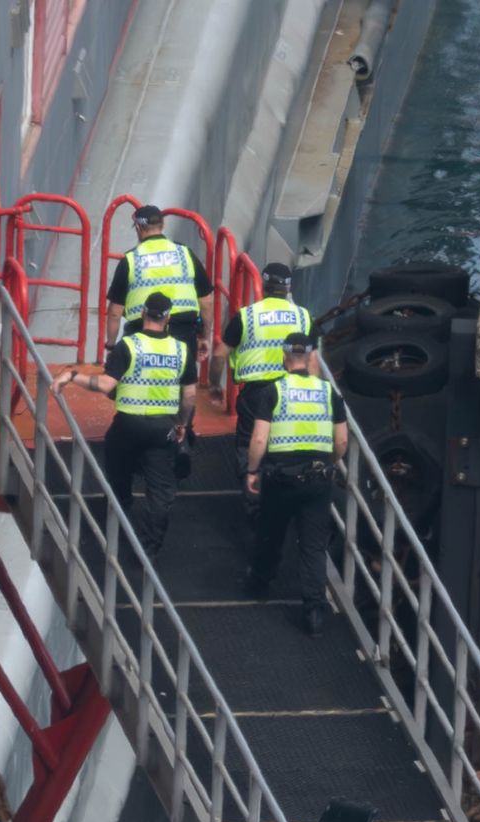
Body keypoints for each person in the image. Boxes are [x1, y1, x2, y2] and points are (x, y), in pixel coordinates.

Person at [56, 296, 199, 560]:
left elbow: (105, 386)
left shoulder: (128, 346)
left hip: (127, 426)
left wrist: (72, 376)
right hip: (162, 428)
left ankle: (120, 516)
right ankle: (150, 549)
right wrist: (181, 424)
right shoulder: (180, 350)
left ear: (143, 313)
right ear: (168, 317)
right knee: (161, 491)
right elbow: (189, 395)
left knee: (118, 473)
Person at [242, 332, 348, 636]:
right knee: (313, 546)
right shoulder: (328, 392)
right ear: (311, 356)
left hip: (281, 478)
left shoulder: (274, 390)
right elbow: (341, 440)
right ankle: (314, 612)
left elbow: (260, 438)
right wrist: (329, 461)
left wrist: (252, 470)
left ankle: (260, 582)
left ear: (284, 356)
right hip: (318, 478)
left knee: (270, 533)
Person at [223, 262, 315, 484]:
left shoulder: (247, 316)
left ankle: (251, 488)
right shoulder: (303, 316)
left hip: (255, 392)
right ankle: (281, 483)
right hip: (291, 390)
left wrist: (216, 384)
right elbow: (313, 359)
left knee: (249, 441)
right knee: (285, 439)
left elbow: (220, 353)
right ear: (288, 289)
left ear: (263, 286)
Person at [106, 205, 213, 361]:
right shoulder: (185, 253)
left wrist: (110, 346)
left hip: (140, 336)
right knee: (184, 381)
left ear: (138, 227)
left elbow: (115, 312)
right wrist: (205, 336)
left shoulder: (130, 260)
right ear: (162, 225)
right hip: (183, 333)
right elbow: (207, 302)